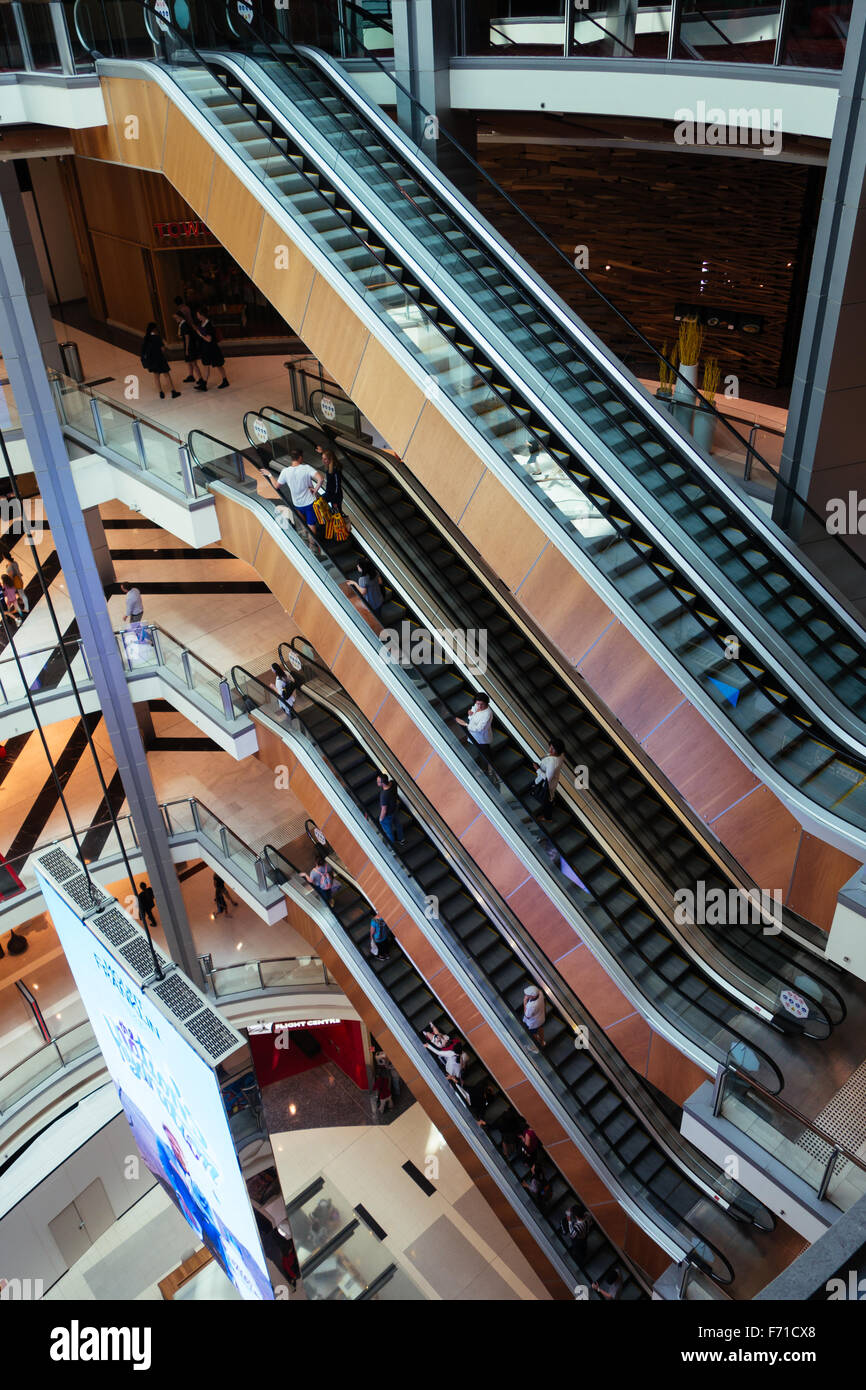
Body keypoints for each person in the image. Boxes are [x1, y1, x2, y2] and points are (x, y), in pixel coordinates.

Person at [265, 448, 323, 539]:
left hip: (297, 503)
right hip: (309, 502)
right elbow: (321, 479)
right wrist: (315, 490)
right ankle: (313, 546)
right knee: (311, 524)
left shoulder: (285, 471)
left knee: (303, 524)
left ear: (291, 458)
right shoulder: (306, 468)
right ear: (300, 457)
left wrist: (269, 475)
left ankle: (306, 541)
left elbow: (276, 486)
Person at [455, 693, 498, 784]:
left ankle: (488, 771)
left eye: (481, 704)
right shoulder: (477, 705)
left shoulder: (487, 714)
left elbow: (479, 729)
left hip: (481, 738)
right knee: (482, 752)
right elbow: (472, 714)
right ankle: (487, 767)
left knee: (484, 753)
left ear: (486, 703)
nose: (479, 706)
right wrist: (470, 714)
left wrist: (465, 724)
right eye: (478, 703)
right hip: (476, 736)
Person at [140, 322, 180, 399]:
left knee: (156, 377)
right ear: (154, 329)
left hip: (152, 361)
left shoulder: (146, 338)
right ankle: (173, 391)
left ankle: (160, 392)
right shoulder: (157, 337)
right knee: (166, 375)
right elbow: (163, 349)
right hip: (160, 359)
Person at [193, 309, 229, 390]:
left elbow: (209, 339)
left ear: (202, 315)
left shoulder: (209, 325)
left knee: (218, 365)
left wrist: (200, 335)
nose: (197, 316)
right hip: (205, 349)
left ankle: (225, 380)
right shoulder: (202, 324)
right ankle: (204, 384)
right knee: (206, 365)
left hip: (212, 349)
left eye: (198, 315)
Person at [533, 736, 565, 822]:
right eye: (550, 747)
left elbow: (547, 778)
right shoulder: (561, 755)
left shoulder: (552, 762)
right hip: (553, 781)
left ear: (557, 750)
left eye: (553, 749)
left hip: (547, 784)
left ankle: (547, 817)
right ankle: (551, 802)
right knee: (550, 796)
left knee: (547, 799)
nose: (550, 750)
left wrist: (537, 769)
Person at [174, 295, 203, 385]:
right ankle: (191, 375)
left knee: (192, 360)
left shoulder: (184, 324)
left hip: (189, 335)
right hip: (191, 331)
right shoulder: (187, 308)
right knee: (190, 360)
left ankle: (198, 378)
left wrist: (186, 349)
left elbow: (187, 337)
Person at [377, 772, 405, 845]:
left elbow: (384, 810)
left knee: (388, 831)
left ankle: (392, 845)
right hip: (394, 808)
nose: (377, 782)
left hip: (388, 814)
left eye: (378, 782)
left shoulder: (384, 795)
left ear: (382, 783)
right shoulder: (393, 783)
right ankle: (401, 839)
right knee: (397, 824)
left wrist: (381, 819)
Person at [522, 983, 546, 1048]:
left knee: (532, 1034)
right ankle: (542, 1042)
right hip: (541, 1018)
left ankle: (535, 1047)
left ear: (533, 996)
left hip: (533, 1023)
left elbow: (527, 1015)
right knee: (540, 1028)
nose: (525, 995)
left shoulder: (532, 1006)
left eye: (527, 995)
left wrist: (525, 1002)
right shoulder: (540, 993)